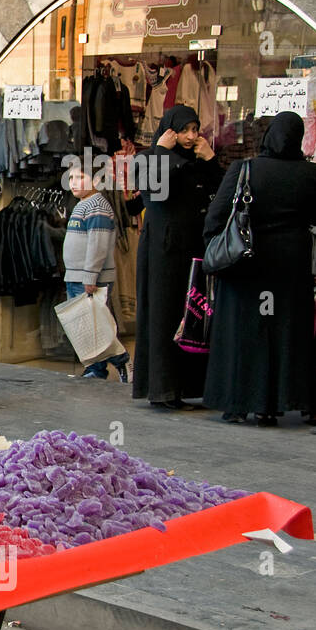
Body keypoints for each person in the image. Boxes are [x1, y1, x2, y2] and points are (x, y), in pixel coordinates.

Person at [203, 111, 316, 426]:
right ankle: (276, 403)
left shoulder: (246, 169)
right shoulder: (312, 175)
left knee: (243, 333)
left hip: (246, 263)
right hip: (291, 265)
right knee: (285, 332)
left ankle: (238, 403)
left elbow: (216, 216)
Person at [131, 104, 222, 408]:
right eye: (184, 130)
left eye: (195, 129)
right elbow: (152, 191)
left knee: (193, 315)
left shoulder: (196, 162)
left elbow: (220, 194)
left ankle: (189, 386)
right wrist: (160, 151)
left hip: (193, 251)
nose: (191, 136)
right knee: (164, 314)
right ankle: (163, 389)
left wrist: (210, 160)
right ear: (170, 130)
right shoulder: (149, 158)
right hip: (163, 251)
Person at [63, 162, 130, 381]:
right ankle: (96, 368)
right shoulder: (83, 204)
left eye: (80, 178)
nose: (74, 183)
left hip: (88, 278)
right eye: (71, 178)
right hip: (77, 275)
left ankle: (121, 360)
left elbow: (98, 245)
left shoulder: (97, 205)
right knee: (85, 326)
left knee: (95, 325)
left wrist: (90, 276)